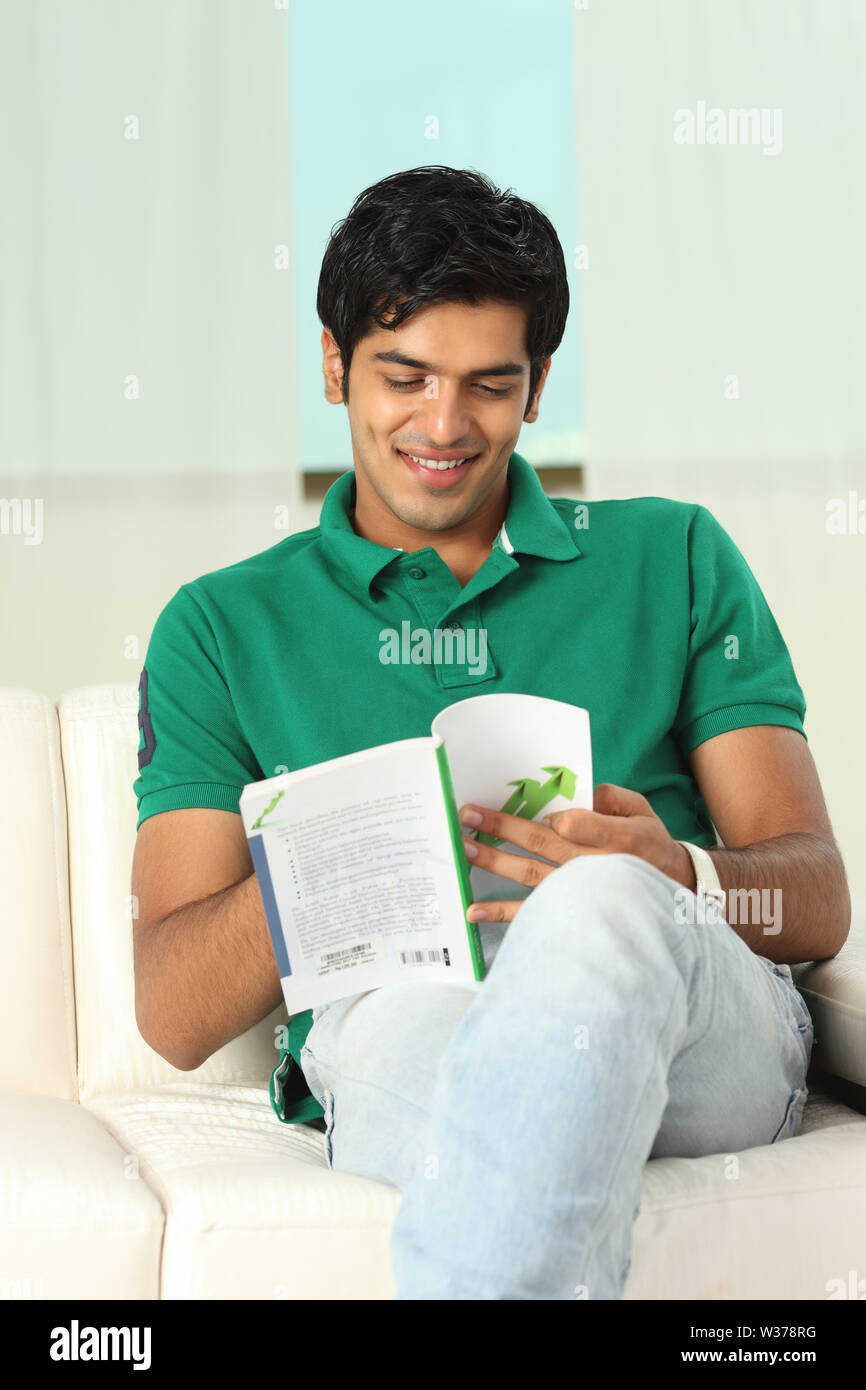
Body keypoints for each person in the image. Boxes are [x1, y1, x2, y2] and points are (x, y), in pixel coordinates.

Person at [131, 166, 850, 1300]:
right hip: (398, 1014)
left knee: (600, 902)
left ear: (537, 385)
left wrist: (680, 871)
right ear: (333, 367)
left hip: (686, 1014)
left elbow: (809, 898)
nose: (443, 424)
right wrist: (342, 867)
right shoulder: (221, 626)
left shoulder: (673, 555)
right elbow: (172, 1013)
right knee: (475, 1090)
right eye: (402, 377)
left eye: (488, 385)